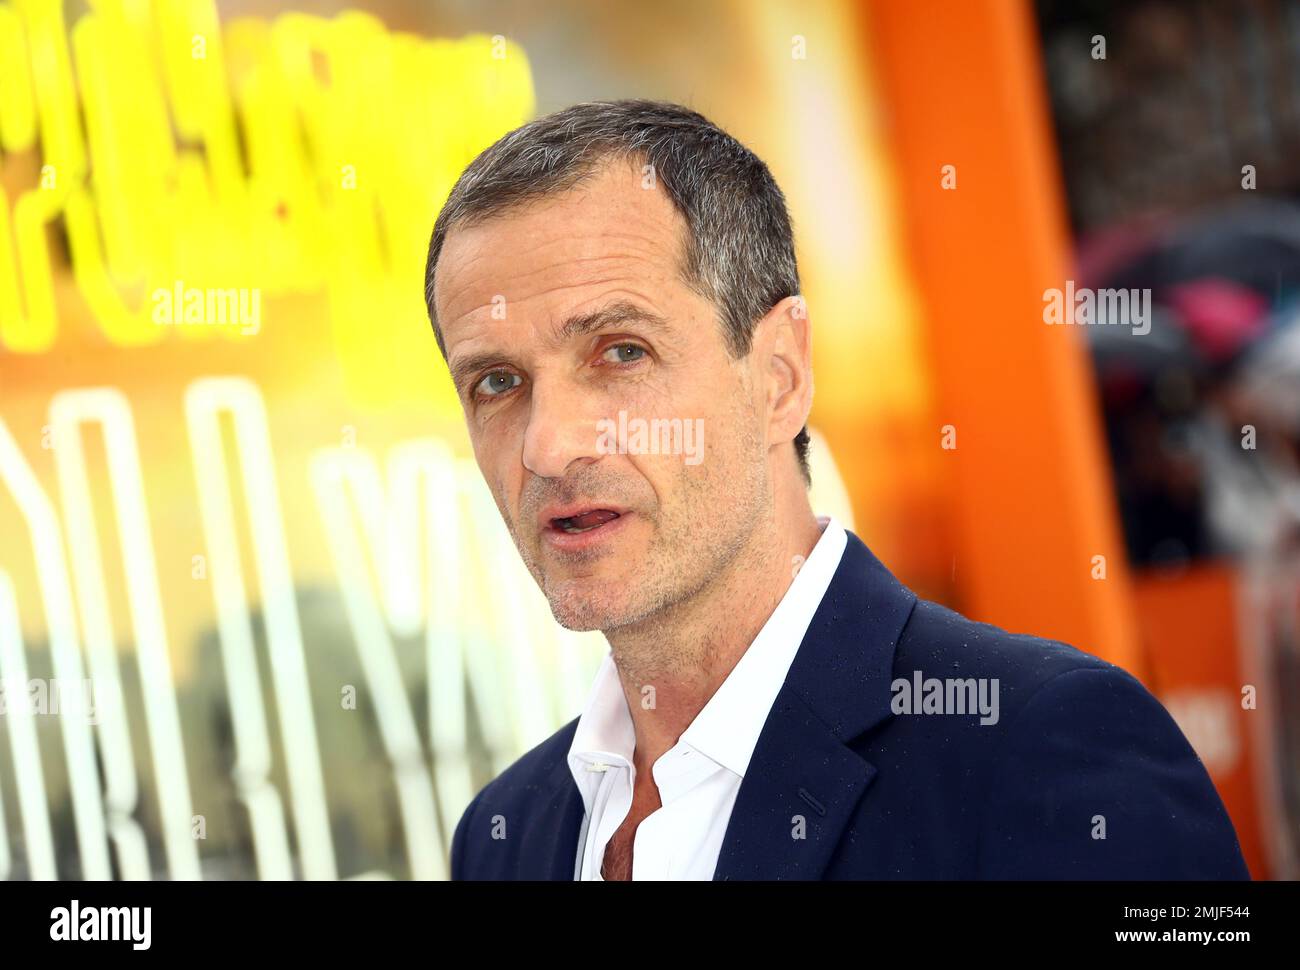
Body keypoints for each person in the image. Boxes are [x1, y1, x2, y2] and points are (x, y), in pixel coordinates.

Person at [422, 99, 1249, 880]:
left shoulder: (1045, 751)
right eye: (496, 382)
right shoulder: (505, 837)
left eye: (621, 351)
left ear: (780, 376)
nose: (550, 445)